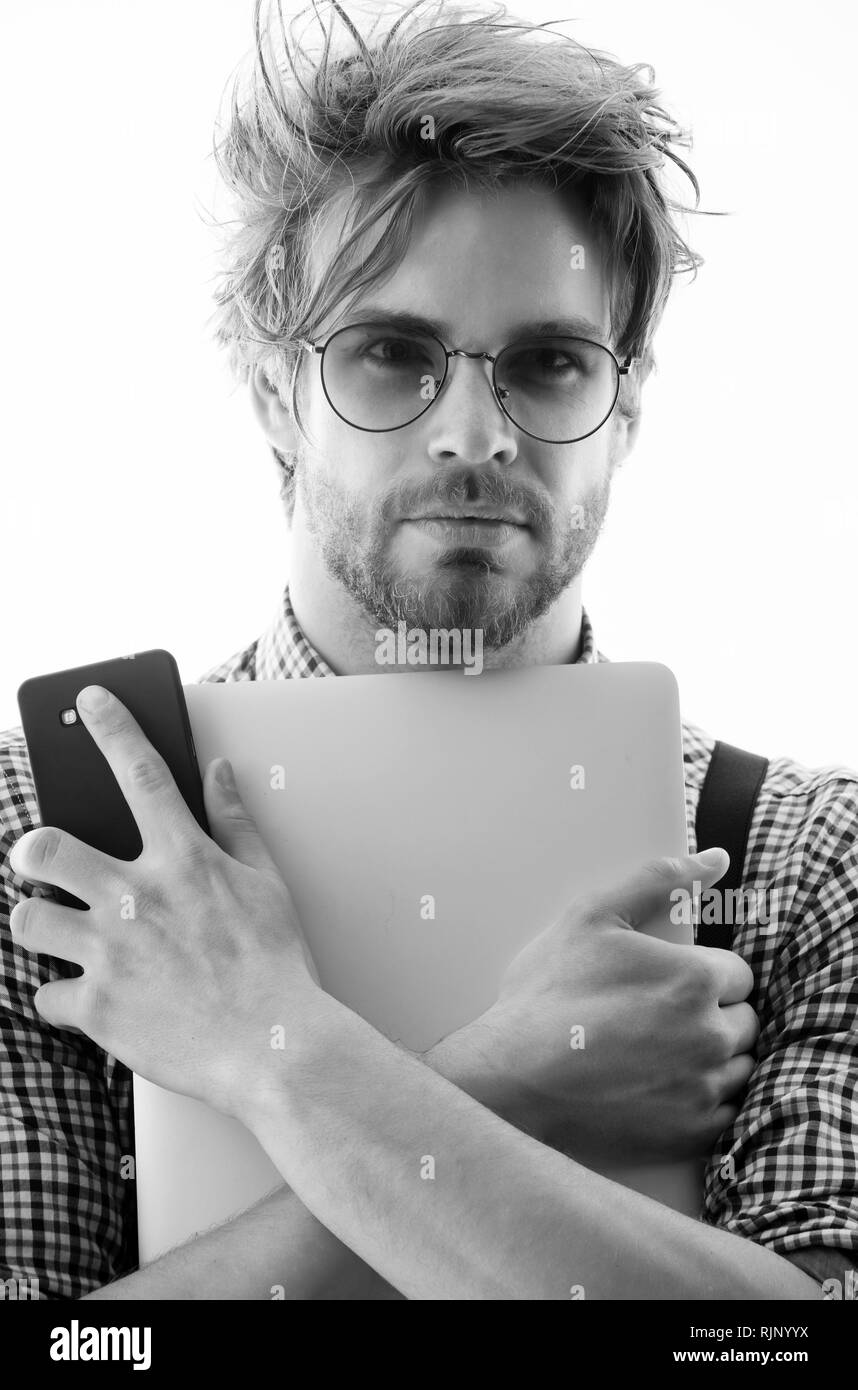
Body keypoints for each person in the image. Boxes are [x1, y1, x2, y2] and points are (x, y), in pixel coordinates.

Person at [1, 0, 855, 1301]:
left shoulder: (804, 859)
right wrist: (506, 1076)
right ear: (269, 393)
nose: (473, 431)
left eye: (548, 363)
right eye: (391, 354)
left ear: (623, 408)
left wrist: (264, 1047)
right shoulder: (52, 838)